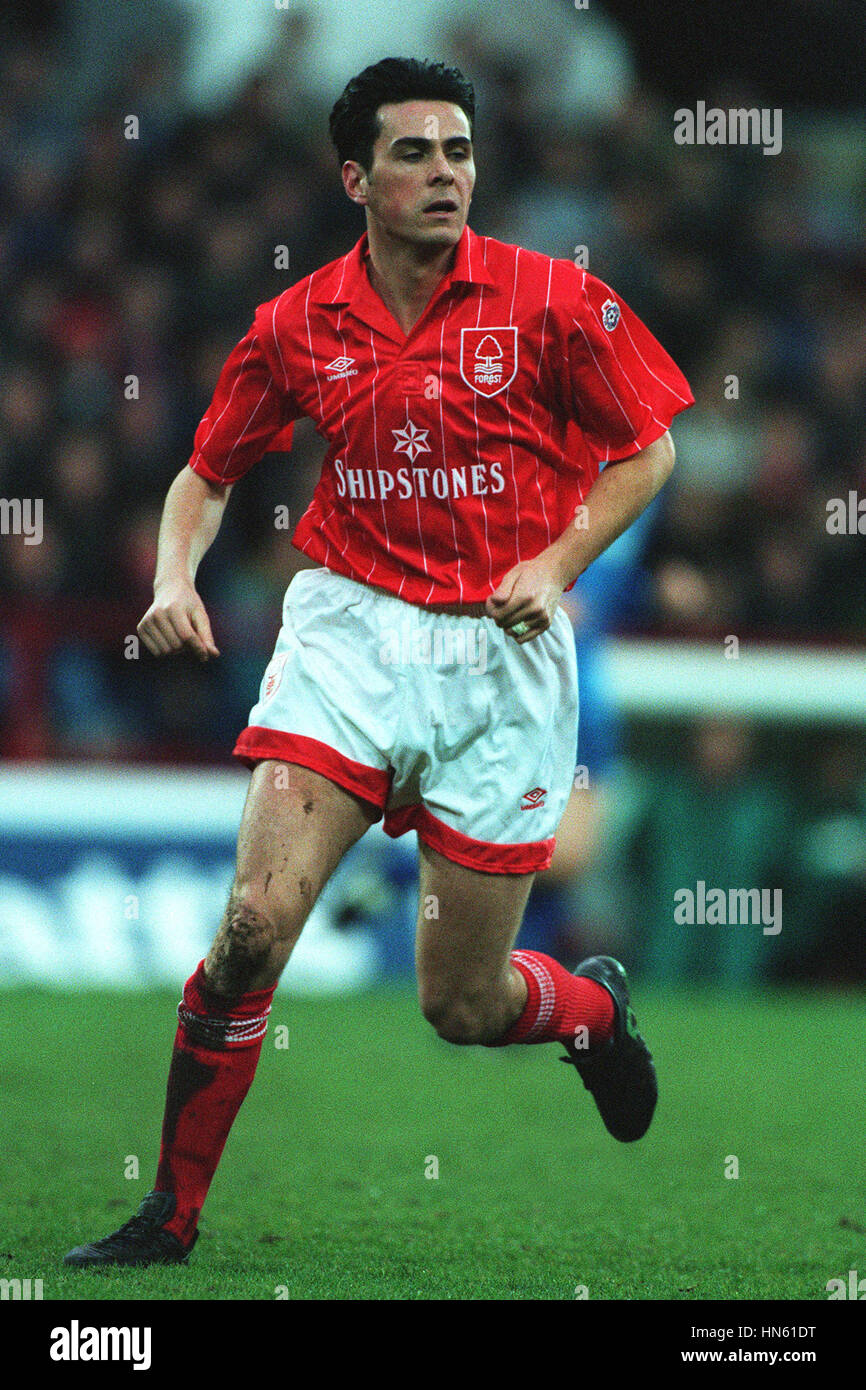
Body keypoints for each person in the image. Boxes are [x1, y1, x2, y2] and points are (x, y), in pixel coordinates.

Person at [65, 57, 693, 1268]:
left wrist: (555, 563)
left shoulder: (555, 299)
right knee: (251, 928)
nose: (445, 173)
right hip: (348, 634)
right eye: (414, 153)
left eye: (458, 151)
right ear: (354, 178)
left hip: (501, 652)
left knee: (461, 1005)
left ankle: (593, 1010)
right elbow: (206, 476)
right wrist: (171, 579)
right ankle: (171, 1216)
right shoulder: (295, 324)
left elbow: (646, 450)